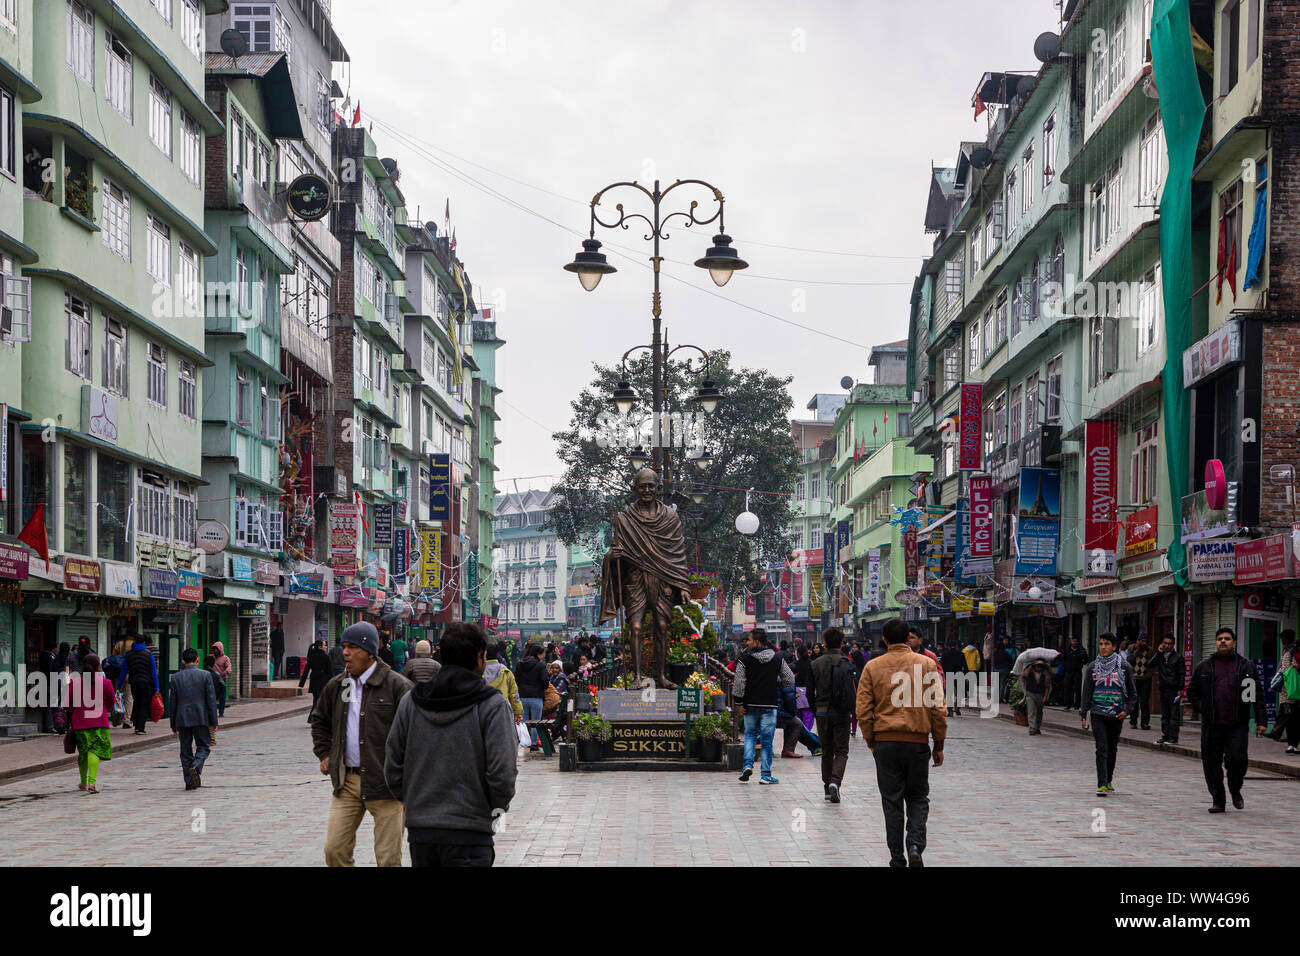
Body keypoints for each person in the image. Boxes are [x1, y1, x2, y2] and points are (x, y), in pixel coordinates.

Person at [385, 621, 518, 867]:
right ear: (480, 658)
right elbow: (503, 773)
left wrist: (414, 800)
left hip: (422, 833)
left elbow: (392, 763)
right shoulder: (492, 705)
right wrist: (491, 808)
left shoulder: (411, 702)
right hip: (471, 832)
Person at [309, 621, 412, 867]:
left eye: (353, 647)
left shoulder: (396, 685)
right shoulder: (339, 685)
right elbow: (320, 721)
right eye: (344, 646)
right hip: (347, 782)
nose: (346, 652)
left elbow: (416, 733)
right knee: (334, 851)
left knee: (388, 859)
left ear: (370, 652)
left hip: (387, 785)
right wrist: (324, 754)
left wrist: (408, 779)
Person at [857, 619, 946, 868]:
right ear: (908, 637)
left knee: (891, 801)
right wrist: (938, 744)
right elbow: (938, 709)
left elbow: (863, 709)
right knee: (918, 797)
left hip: (885, 743)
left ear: (884, 640)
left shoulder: (873, 667)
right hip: (917, 743)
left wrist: (871, 739)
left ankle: (897, 857)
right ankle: (915, 844)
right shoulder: (927, 664)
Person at [1187, 627, 1267, 812]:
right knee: (1211, 763)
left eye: (1227, 639)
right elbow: (1192, 692)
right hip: (1212, 725)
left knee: (1238, 760)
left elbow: (1255, 695)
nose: (1223, 641)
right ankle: (1218, 799)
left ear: (1234, 643)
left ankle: (1235, 789)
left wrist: (1261, 721)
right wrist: (1203, 709)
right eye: (1220, 639)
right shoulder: (1204, 667)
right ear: (1215, 643)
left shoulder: (1245, 667)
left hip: (1236, 725)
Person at [733, 629, 796, 784]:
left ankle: (747, 766)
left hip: (750, 705)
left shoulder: (744, 658)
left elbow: (739, 683)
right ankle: (766, 776)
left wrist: (739, 703)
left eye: (749, 639)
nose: (747, 642)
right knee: (767, 741)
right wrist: (777, 685)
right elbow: (789, 679)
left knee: (750, 736)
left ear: (757, 641)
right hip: (769, 705)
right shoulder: (777, 658)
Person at [1080, 633, 1137, 797]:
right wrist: (1084, 714)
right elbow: (1087, 692)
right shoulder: (1093, 667)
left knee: (1112, 748)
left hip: (1116, 715)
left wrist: (1126, 711)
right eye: (1101, 644)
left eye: (1107, 644)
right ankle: (1102, 783)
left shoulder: (1124, 667)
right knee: (1101, 747)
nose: (1103, 647)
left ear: (1114, 647)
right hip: (1097, 713)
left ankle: (1109, 779)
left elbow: (1133, 693)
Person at [169, 647, 219, 790]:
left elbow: (173, 702)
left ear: (183, 661)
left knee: (185, 750)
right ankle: (196, 766)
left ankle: (189, 781)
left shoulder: (176, 677)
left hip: (182, 718)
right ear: (197, 660)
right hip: (201, 716)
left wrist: (173, 722)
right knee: (203, 745)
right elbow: (211, 700)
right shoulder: (205, 676)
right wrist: (213, 721)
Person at [69, 654, 114, 794]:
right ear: (98, 667)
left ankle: (83, 782)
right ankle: (92, 783)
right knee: (94, 751)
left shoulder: (74, 683)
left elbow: (69, 704)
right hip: (99, 722)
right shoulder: (106, 683)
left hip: (80, 723)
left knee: (83, 753)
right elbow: (111, 703)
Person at [119, 633, 159, 735]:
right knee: (144, 704)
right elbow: (153, 671)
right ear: (144, 642)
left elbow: (123, 671)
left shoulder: (129, 654)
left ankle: (136, 725)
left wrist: (119, 686)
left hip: (134, 683)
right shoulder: (148, 654)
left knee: (136, 702)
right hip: (146, 683)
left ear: (134, 642)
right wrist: (156, 687)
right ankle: (140, 728)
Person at [514, 643, 549, 750]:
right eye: (542, 654)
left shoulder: (520, 664)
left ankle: (523, 742)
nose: (542, 656)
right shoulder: (540, 665)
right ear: (538, 654)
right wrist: (543, 687)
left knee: (523, 721)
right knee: (536, 721)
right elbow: (544, 681)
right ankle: (533, 743)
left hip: (523, 696)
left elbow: (516, 679)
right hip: (536, 696)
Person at [1151, 634, 1184, 746]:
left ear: (1173, 644)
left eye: (1169, 643)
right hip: (1163, 689)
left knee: (1174, 714)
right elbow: (1150, 664)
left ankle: (1173, 737)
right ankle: (1165, 736)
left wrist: (1180, 689)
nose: (1167, 645)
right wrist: (1158, 653)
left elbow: (1181, 674)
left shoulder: (1178, 657)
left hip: (1174, 690)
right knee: (1164, 715)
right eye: (1165, 643)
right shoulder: (1160, 656)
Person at [1270, 630, 1298, 753]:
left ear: (1287, 638)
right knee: (1291, 719)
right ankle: (1291, 744)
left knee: (1290, 717)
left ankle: (1278, 734)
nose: (1281, 641)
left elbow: (1285, 671)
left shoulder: (1291, 651)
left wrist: (1277, 681)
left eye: (1283, 638)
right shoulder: (1288, 651)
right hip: (1289, 691)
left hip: (1291, 691)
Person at [778, 682, 821, 758]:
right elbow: (789, 699)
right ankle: (818, 744)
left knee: (794, 722)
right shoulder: (786, 678)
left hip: (762, 709)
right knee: (796, 723)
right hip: (774, 711)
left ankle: (818, 744)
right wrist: (793, 713)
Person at [484, 645, 524, 726]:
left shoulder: (478, 671)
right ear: (497, 654)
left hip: (483, 711)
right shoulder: (506, 671)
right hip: (503, 711)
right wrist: (517, 712)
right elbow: (514, 694)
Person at [299, 639, 332, 721]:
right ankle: (311, 717)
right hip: (322, 680)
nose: (326, 647)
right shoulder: (326, 657)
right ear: (320, 647)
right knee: (318, 700)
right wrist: (332, 682)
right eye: (324, 645)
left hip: (314, 680)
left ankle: (317, 718)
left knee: (317, 699)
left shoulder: (311, 656)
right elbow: (329, 671)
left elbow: (306, 670)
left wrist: (301, 683)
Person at [1129, 638, 1153, 730]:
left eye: (1145, 641)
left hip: (1145, 679)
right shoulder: (1132, 648)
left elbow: (1151, 662)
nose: (1143, 643)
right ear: (1137, 640)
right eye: (1142, 641)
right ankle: (1133, 722)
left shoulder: (1149, 650)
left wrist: (1150, 674)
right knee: (1134, 701)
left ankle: (1144, 723)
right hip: (1134, 678)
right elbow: (1128, 659)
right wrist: (1136, 652)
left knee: (1144, 702)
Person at [1022, 660, 1050, 735]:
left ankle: (1037, 728)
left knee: (1039, 712)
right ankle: (1032, 728)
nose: (1039, 668)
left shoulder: (1045, 673)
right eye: (1037, 666)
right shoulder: (1030, 671)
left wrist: (1045, 696)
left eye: (1041, 666)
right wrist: (1030, 665)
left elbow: (1047, 686)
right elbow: (1024, 676)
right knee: (1031, 711)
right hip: (1030, 693)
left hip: (1040, 694)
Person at [1061, 635, 1089, 710]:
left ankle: (1077, 705)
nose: (1073, 642)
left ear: (1077, 642)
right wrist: (1066, 666)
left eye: (1075, 641)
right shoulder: (1067, 650)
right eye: (1072, 641)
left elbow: (1086, 659)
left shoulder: (1081, 650)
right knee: (1068, 688)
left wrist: (1081, 664)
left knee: (1077, 688)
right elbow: (1063, 659)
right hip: (1068, 671)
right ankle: (1068, 704)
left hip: (1077, 671)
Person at [939, 643, 967, 716]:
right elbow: (965, 666)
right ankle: (957, 707)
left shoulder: (945, 654)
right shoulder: (961, 654)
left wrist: (942, 675)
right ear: (956, 646)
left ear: (948, 646)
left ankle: (950, 711)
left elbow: (941, 666)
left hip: (949, 675)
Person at [208, 641, 232, 718]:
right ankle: (212, 712)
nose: (215, 651)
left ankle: (221, 712)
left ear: (220, 649)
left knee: (222, 697)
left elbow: (229, 667)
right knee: (212, 697)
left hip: (222, 680)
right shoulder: (211, 657)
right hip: (213, 680)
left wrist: (225, 672)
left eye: (216, 649)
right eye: (213, 649)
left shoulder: (225, 658)